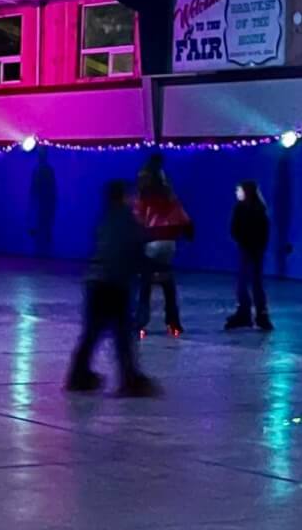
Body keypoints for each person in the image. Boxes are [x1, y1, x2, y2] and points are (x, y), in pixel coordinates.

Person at [65, 180, 154, 396]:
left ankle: (79, 375)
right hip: (113, 283)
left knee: (93, 332)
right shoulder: (126, 220)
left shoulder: (105, 219)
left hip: (97, 282)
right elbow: (134, 249)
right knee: (121, 334)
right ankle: (129, 378)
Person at [131, 152, 191, 337]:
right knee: (167, 282)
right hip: (169, 243)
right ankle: (173, 322)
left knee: (145, 283)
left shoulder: (144, 195)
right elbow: (183, 218)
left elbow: (138, 219)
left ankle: (140, 323)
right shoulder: (168, 193)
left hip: (151, 241)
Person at [226, 180, 272, 331]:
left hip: (246, 249)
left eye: (238, 190)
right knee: (256, 283)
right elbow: (265, 232)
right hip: (257, 250)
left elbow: (234, 229)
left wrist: (242, 240)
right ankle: (261, 315)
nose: (236, 193)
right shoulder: (261, 209)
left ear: (245, 191)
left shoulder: (240, 208)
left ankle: (244, 314)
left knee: (242, 282)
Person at [29, 150, 58, 258]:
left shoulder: (41, 170)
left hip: (44, 202)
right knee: (43, 226)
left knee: (43, 226)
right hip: (44, 202)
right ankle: (43, 252)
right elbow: (51, 187)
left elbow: (35, 187)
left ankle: (43, 252)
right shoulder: (43, 170)